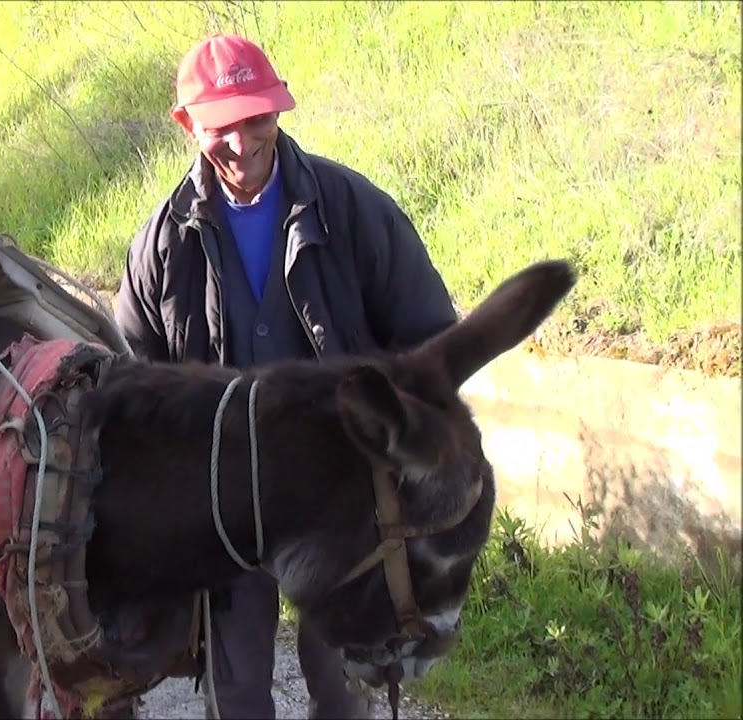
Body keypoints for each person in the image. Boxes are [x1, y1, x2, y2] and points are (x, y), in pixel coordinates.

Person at [114, 34, 459, 720]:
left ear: (279, 112)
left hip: (340, 502)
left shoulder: (354, 210)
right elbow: (131, 383)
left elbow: (432, 343)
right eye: (223, 127)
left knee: (343, 682)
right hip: (224, 507)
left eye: (258, 119)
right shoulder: (161, 243)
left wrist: (394, 440)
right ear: (188, 126)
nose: (243, 142)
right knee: (236, 689)